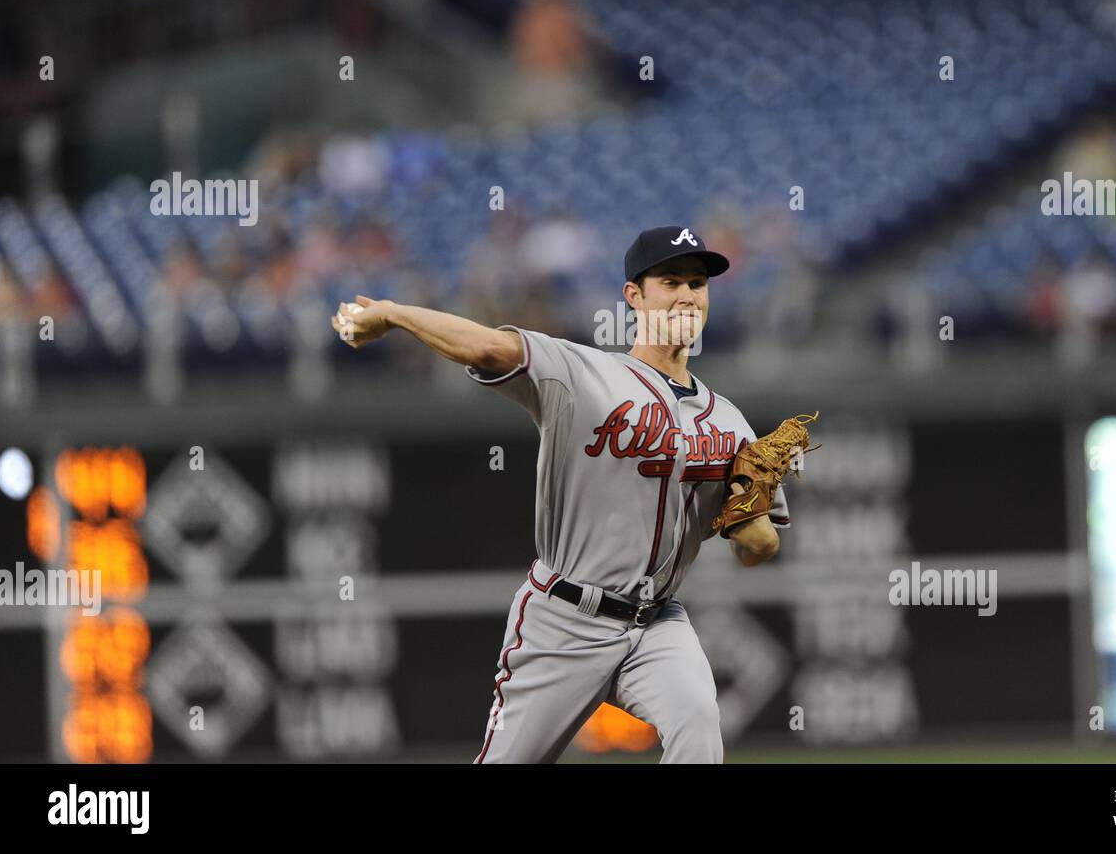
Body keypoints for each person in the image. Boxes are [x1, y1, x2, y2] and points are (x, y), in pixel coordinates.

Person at [331, 225, 792, 763]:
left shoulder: (732, 425)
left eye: (698, 283)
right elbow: (484, 345)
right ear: (634, 297)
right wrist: (392, 313)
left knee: (698, 721)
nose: (689, 294)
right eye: (671, 281)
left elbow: (755, 548)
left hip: (657, 624)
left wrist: (748, 505)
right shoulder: (581, 373)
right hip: (565, 619)